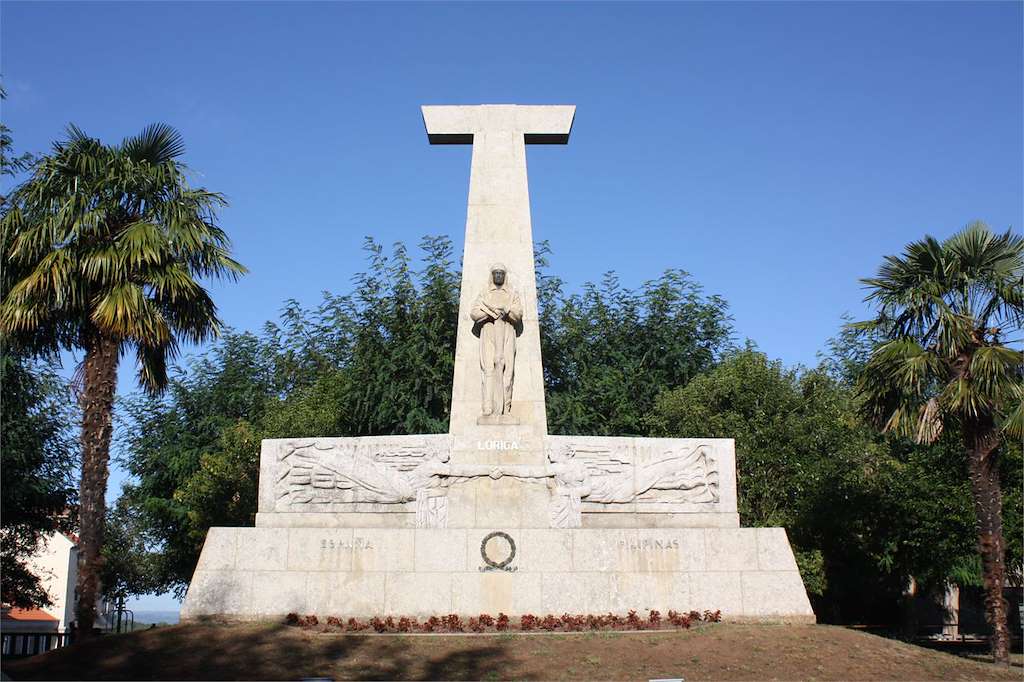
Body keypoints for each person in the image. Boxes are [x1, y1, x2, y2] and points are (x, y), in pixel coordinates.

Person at [470, 264, 523, 416]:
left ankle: (505, 408)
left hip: (507, 330)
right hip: (489, 330)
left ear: (504, 276)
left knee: (508, 370)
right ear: (492, 275)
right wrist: (489, 313)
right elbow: (474, 313)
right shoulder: (485, 294)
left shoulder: (512, 294)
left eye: (501, 273)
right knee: (489, 369)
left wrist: (507, 311)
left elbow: (518, 314)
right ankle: (488, 407)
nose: (498, 276)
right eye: (496, 273)